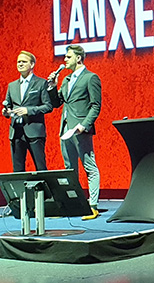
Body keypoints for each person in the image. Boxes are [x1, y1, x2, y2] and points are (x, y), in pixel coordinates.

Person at [47, 44, 101, 220]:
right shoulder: (66, 80)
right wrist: (52, 87)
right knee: (69, 169)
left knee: (89, 166)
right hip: (65, 129)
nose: (64, 60)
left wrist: (84, 125)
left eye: (68, 57)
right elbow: (57, 103)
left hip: (80, 129)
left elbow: (95, 106)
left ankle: (93, 205)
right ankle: (74, 205)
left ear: (78, 58)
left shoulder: (90, 78)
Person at [2, 51, 53, 172]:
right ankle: (21, 191)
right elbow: (8, 105)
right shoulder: (12, 86)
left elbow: (48, 106)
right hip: (16, 132)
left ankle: (43, 191)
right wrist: (6, 112)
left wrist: (28, 110)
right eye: (18, 61)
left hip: (34, 132)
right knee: (17, 170)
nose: (20, 64)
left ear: (32, 64)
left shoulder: (41, 83)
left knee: (40, 168)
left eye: (24, 61)